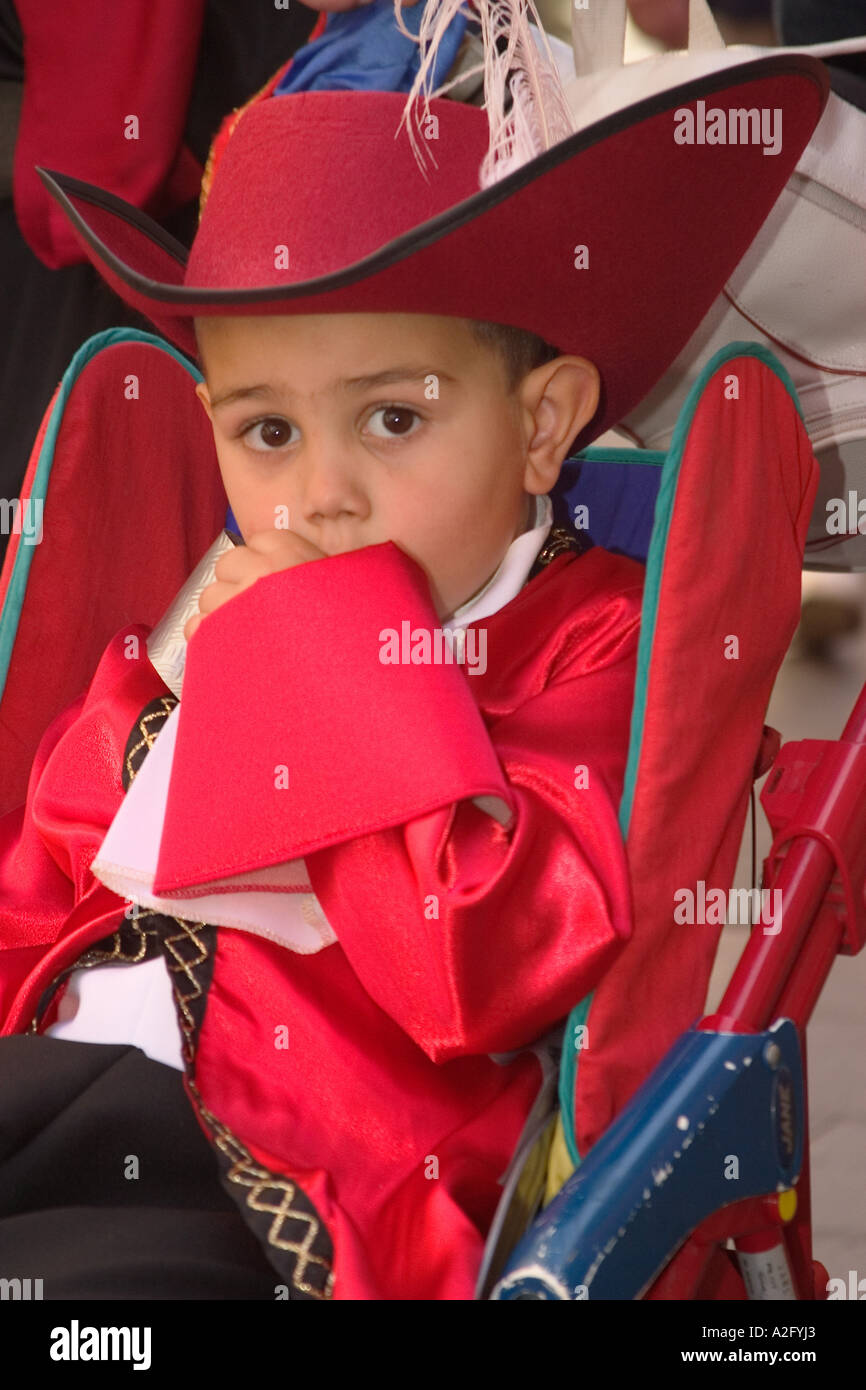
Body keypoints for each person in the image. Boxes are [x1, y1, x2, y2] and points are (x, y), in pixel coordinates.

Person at [0, 1, 827, 1300]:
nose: (318, 494)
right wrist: (154, 703)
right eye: (265, 434)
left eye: (392, 416)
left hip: (280, 1183)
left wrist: (321, 670)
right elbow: (42, 879)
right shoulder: (217, 602)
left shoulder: (586, 638)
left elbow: (480, 964)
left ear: (542, 427)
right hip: (49, 1085)